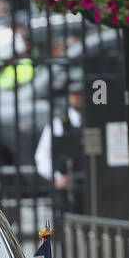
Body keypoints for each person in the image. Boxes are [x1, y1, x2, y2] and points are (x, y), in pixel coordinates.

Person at [34, 71, 85, 213]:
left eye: (81, 93)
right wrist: (56, 177)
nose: (78, 98)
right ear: (69, 96)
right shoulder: (58, 123)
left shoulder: (93, 119)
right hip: (67, 188)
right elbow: (41, 156)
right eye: (75, 94)